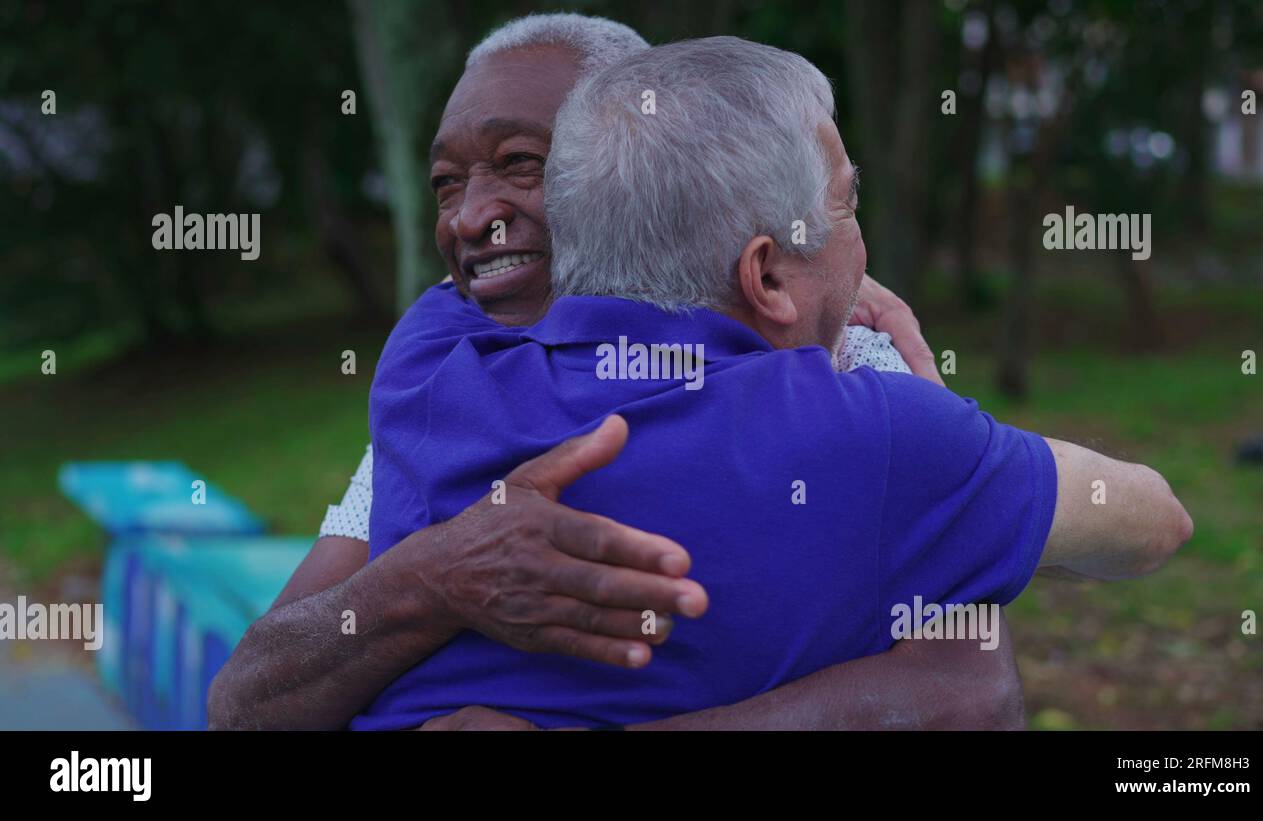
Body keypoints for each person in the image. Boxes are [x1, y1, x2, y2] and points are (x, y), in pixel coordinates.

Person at [208, 15, 1022, 731]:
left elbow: (969, 694)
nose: (466, 216)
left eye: (522, 162)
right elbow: (245, 703)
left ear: (640, 165)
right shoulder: (450, 391)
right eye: (447, 182)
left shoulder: (846, 358)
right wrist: (437, 573)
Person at [352, 36, 1193, 729]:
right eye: (846, 204)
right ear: (766, 274)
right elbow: (1154, 521)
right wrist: (943, 428)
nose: (857, 240)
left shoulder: (424, 365)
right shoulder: (875, 436)